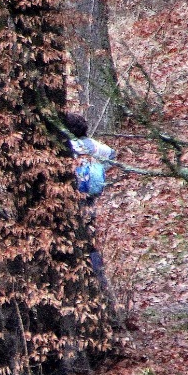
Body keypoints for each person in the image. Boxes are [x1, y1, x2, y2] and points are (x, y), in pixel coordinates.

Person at [66, 113, 115, 295]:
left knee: (76, 233)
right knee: (90, 233)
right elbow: (111, 154)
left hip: (73, 194)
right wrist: (101, 169)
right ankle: (99, 278)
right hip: (91, 194)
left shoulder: (69, 146)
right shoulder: (92, 145)